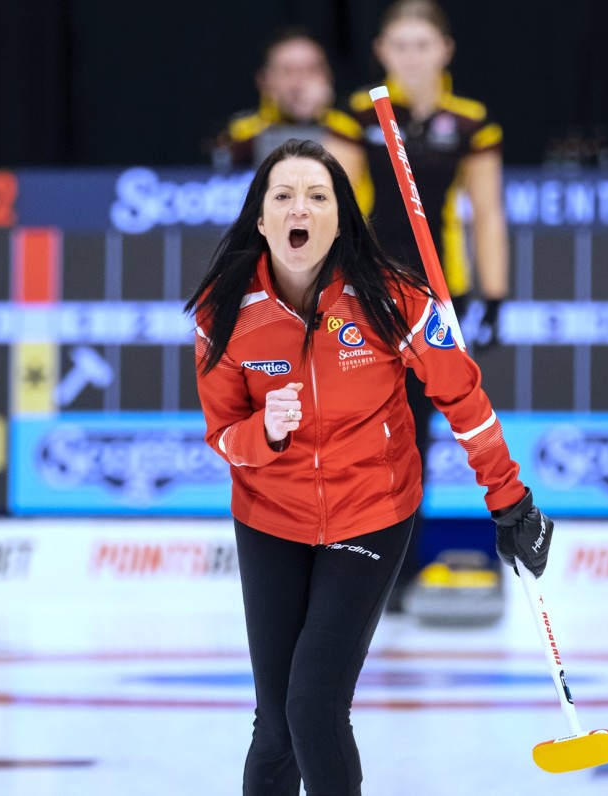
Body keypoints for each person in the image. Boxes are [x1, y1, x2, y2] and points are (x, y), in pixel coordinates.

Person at [185, 137, 552, 796]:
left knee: (312, 706)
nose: (302, 207)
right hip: (270, 518)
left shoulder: (391, 297)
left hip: (371, 512)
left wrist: (510, 500)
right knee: (274, 727)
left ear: (339, 217)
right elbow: (221, 436)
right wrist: (263, 433)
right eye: (285, 196)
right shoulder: (223, 311)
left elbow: (462, 396)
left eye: (318, 196)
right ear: (262, 219)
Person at [323, 0, 511, 610]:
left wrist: (495, 293)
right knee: (356, 431)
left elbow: (488, 212)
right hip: (367, 293)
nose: (411, 56)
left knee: (415, 434)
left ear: (445, 50)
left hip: (432, 296)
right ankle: (340, 566)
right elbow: (335, 206)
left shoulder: (471, 120)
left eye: (422, 44)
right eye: (398, 45)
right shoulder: (356, 115)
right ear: (381, 51)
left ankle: (398, 577)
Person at [211, 28, 336, 171]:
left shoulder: (353, 126)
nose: (299, 84)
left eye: (311, 70)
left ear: (328, 77)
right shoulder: (240, 135)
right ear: (264, 81)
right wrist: (304, 122)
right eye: (287, 71)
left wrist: (318, 118)